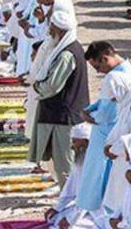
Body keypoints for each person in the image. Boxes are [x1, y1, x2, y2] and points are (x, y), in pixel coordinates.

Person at [28, 10, 89, 187]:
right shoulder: (68, 48)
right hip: (63, 114)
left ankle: (71, 202)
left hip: (64, 117)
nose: (49, 31)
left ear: (61, 30)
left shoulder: (66, 54)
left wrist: (36, 86)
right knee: (62, 161)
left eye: (52, 27)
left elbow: (52, 85)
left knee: (66, 164)